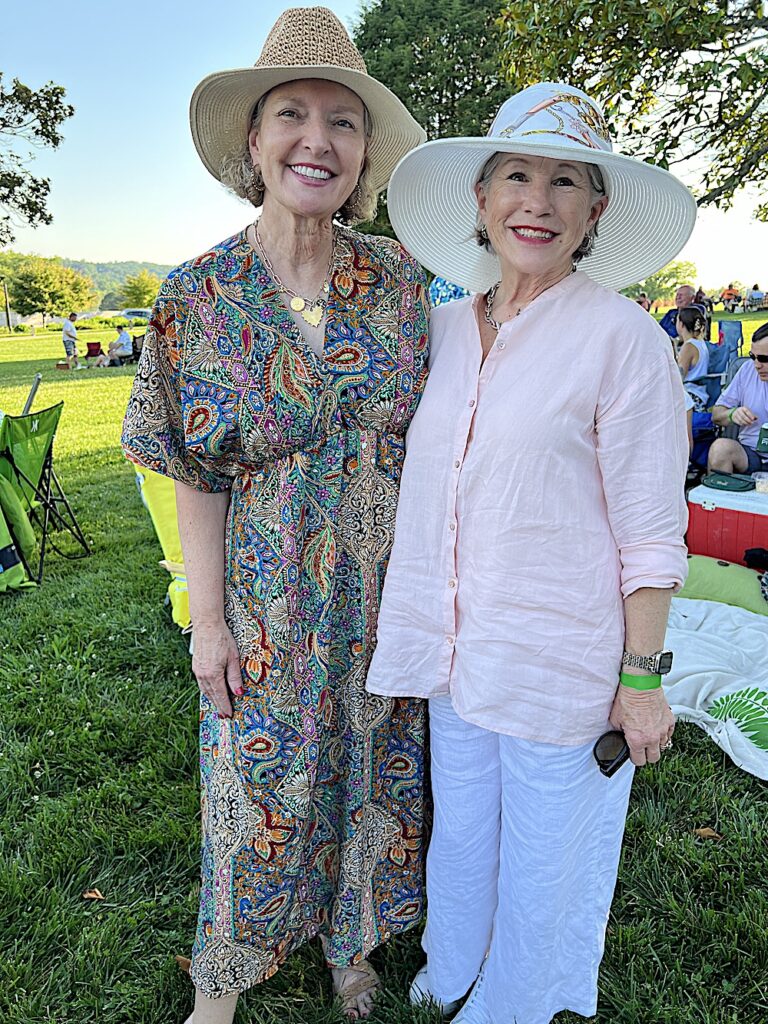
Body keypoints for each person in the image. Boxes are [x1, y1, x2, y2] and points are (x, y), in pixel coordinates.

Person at [122, 8, 428, 1023]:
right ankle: (227, 970)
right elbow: (191, 472)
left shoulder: (402, 287)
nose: (317, 139)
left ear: (364, 154)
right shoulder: (197, 296)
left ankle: (352, 943)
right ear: (251, 143)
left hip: (385, 601)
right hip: (261, 604)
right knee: (251, 787)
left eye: (343, 122)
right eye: (291, 114)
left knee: (368, 772)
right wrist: (206, 623)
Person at [367, 82, 694, 1024]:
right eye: (517, 174)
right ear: (481, 198)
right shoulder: (438, 332)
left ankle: (518, 1000)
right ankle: (455, 962)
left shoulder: (622, 338)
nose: (536, 202)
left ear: (595, 212)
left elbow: (649, 527)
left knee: (551, 843)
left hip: (562, 653)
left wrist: (642, 676)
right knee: (464, 825)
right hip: (460, 644)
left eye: (565, 183)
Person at [708, 322, 768, 474]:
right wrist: (732, 414)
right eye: (752, 357)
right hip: (750, 454)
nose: (757, 365)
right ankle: (718, 497)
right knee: (720, 449)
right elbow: (716, 413)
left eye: (763, 358)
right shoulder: (747, 370)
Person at [676, 305, 710, 409]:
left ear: (681, 324)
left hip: (690, 396)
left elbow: (678, 377)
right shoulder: (700, 343)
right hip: (700, 394)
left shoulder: (689, 347)